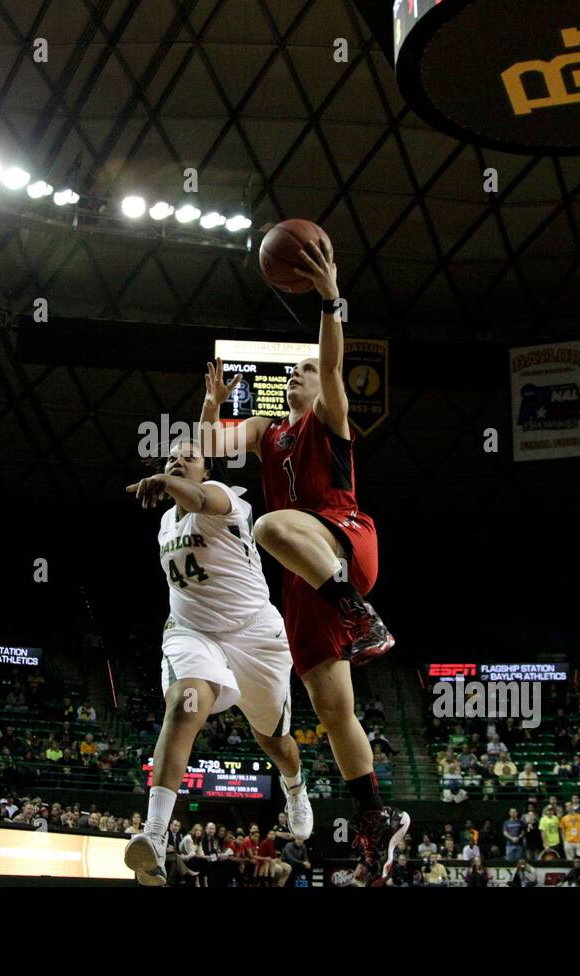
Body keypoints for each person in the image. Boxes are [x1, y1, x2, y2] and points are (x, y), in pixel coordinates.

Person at [198, 240, 407, 881]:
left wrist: (328, 301)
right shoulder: (268, 432)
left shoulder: (330, 416)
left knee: (267, 522)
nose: (299, 375)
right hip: (302, 583)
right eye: (293, 373)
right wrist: (211, 407)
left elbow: (336, 363)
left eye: (306, 370)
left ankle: (361, 611)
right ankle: (375, 815)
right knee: (332, 709)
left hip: (342, 537)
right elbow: (209, 444)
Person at [122, 441, 313, 886]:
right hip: (195, 635)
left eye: (188, 455)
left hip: (255, 637)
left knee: (274, 741)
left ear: (207, 467)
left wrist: (170, 479)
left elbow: (199, 497)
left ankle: (296, 786)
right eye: (170, 457)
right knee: (185, 706)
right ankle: (153, 834)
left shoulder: (223, 496)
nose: (177, 460)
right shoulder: (166, 523)